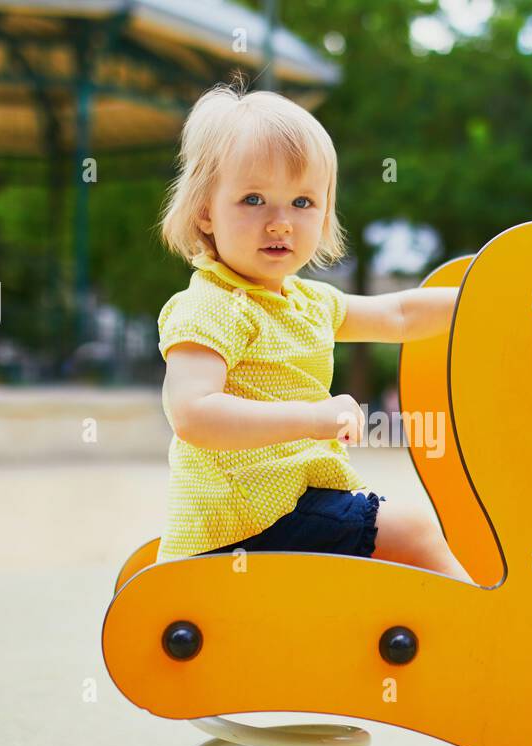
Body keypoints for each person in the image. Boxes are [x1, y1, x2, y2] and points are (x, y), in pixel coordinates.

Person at [155, 80, 474, 584]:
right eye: (254, 199)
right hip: (243, 522)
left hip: (290, 507)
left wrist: (485, 297)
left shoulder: (307, 302)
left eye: (303, 202)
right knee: (410, 529)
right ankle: (480, 624)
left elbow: (400, 316)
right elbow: (193, 414)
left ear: (325, 212)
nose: (280, 223)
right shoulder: (212, 306)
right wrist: (309, 417)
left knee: (393, 534)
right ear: (205, 212)